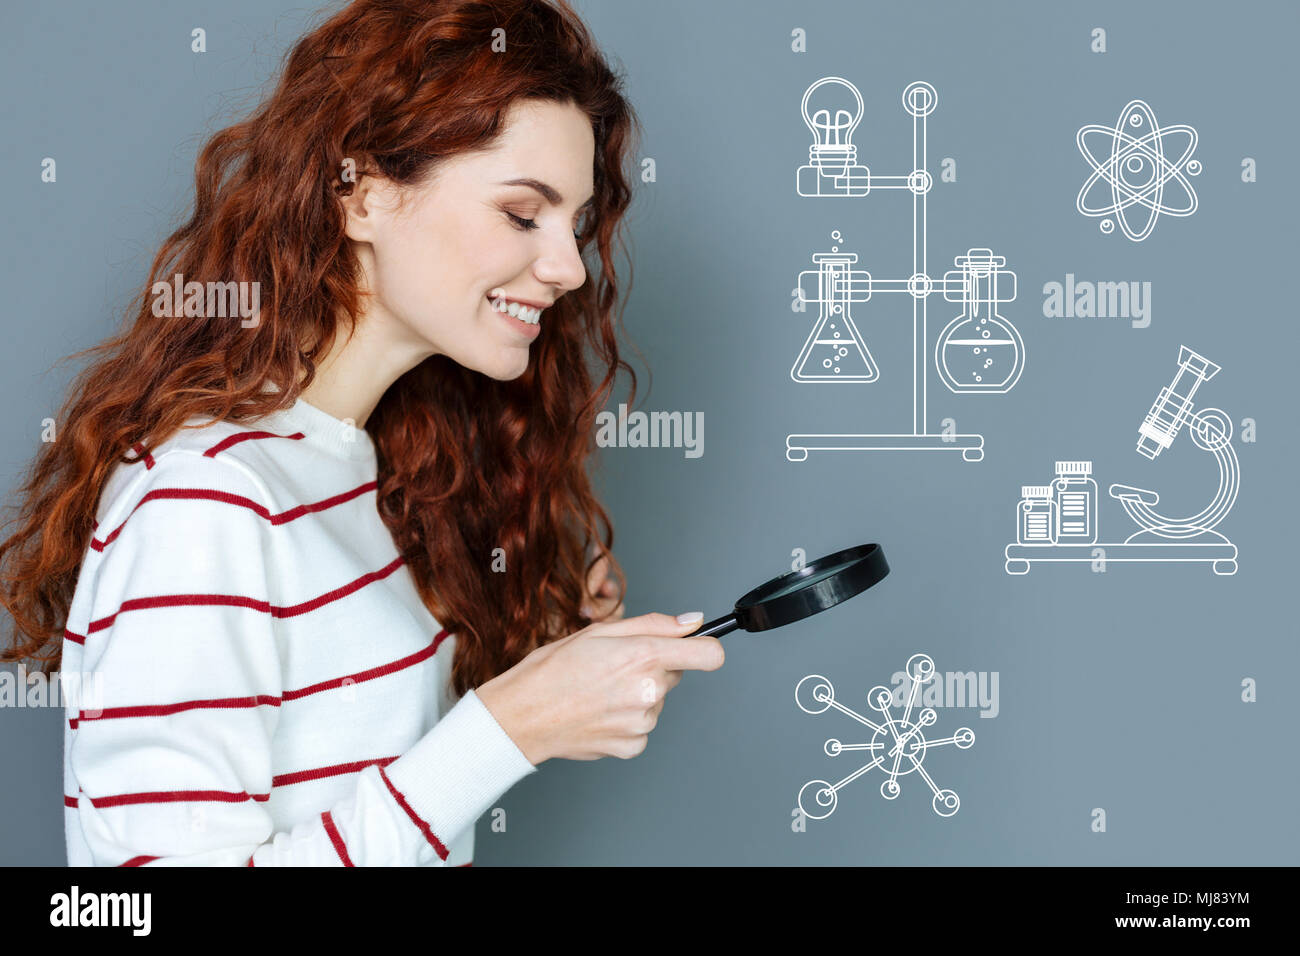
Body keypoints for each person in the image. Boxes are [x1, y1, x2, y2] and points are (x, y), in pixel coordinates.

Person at [0, 0, 723, 866]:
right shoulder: (205, 498)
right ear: (362, 195)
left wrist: (539, 642)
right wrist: (509, 729)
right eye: (522, 214)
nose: (568, 268)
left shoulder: (364, 461)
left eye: (574, 224)